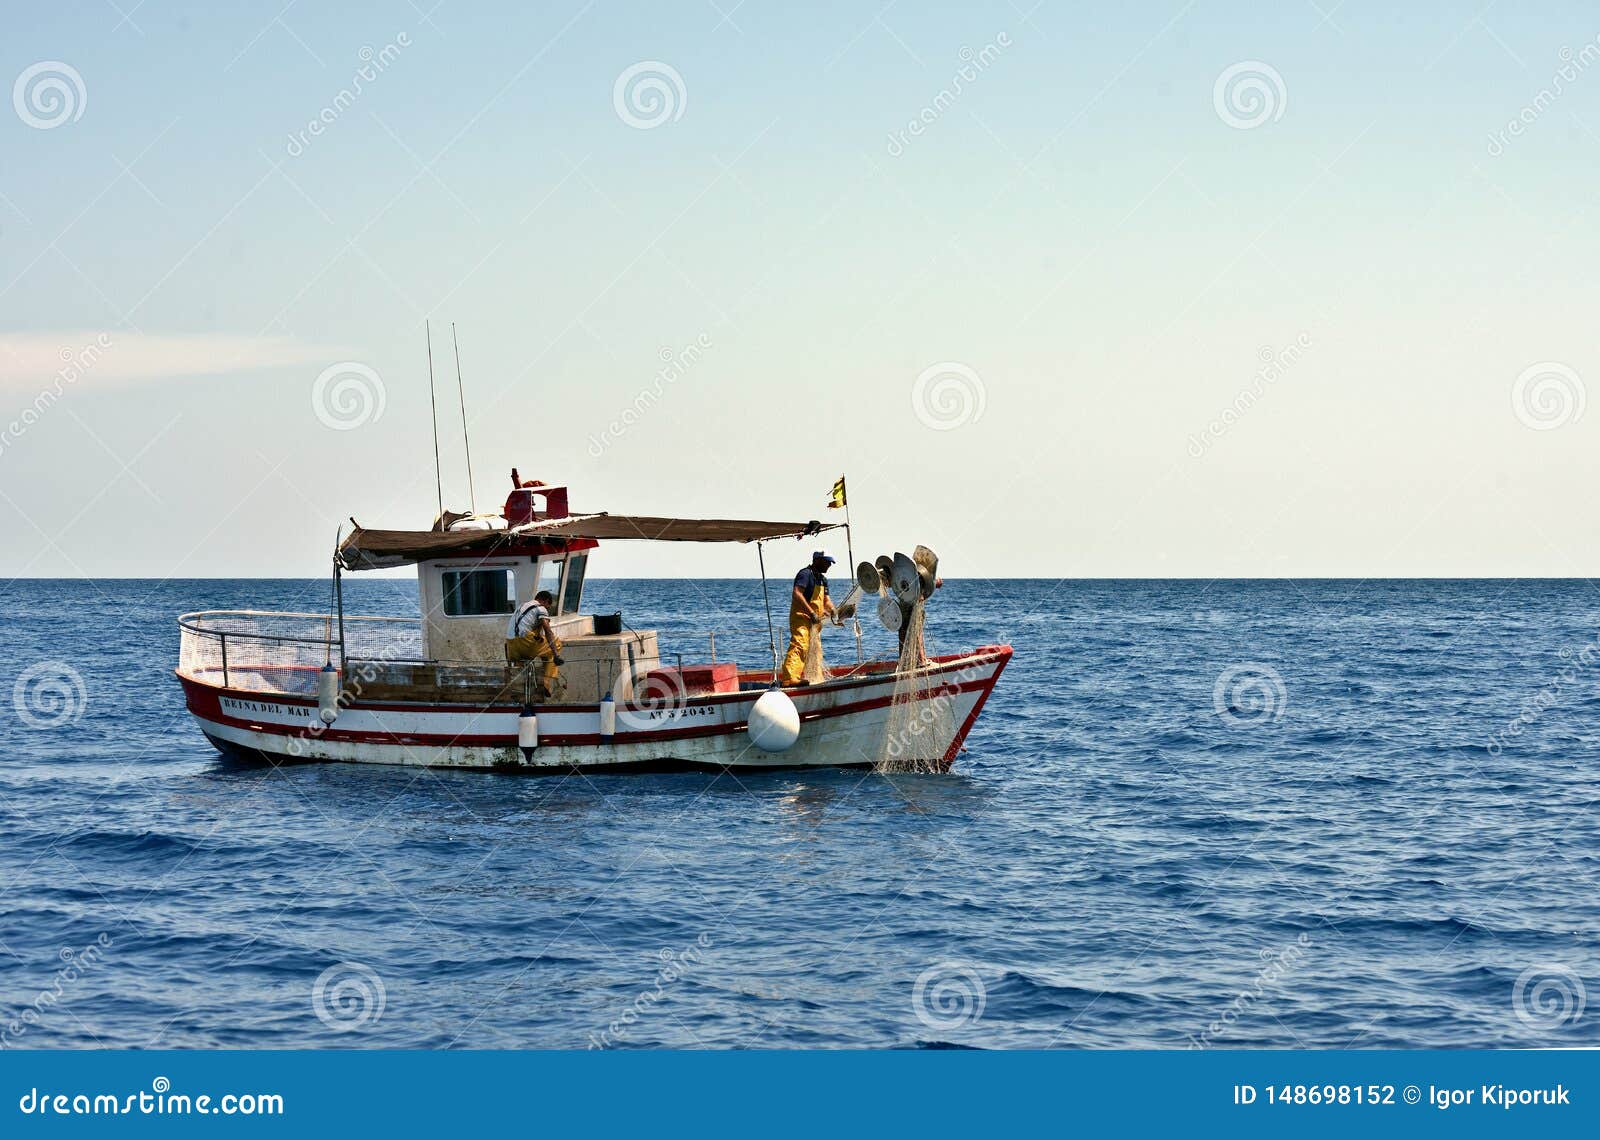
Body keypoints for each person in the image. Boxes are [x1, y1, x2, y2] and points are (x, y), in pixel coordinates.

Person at [779, 552, 835, 685]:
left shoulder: (823, 580)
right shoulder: (805, 574)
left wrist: (833, 610)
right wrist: (811, 613)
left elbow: (826, 600)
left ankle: (815, 677)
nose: (829, 565)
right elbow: (797, 594)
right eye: (826, 562)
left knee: (815, 651)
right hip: (802, 617)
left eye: (830, 563)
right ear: (817, 560)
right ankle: (789, 678)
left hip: (816, 622)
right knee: (800, 644)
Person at [505, 590, 564, 695]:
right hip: (525, 643)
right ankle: (545, 683)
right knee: (556, 644)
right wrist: (556, 655)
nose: (547, 609)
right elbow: (547, 630)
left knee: (523, 660)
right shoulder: (541, 608)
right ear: (545, 601)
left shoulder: (521, 606)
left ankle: (520, 689)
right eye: (548, 607)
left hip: (511, 646)